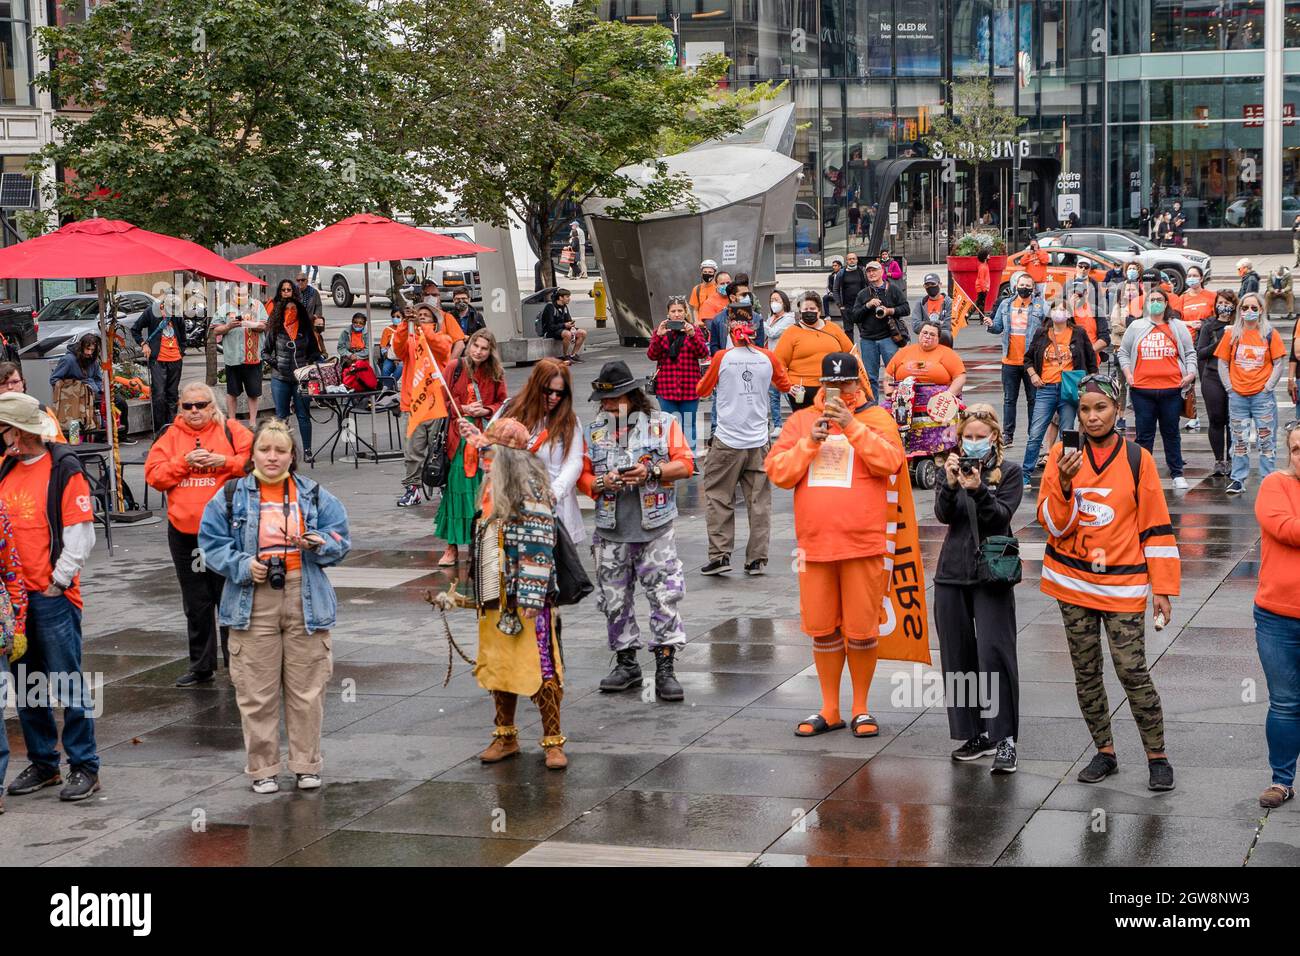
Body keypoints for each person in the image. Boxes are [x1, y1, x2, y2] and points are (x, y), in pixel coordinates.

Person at [1037, 374, 1178, 792]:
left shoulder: (1138, 459)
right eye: (1085, 409)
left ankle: (1157, 756)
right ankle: (1105, 751)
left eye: (1101, 408)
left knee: (1133, 672)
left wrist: (1164, 588)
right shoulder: (1062, 453)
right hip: (1072, 582)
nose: (1093, 416)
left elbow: (1156, 527)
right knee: (1086, 673)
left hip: (1122, 586)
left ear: (1118, 409)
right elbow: (1051, 524)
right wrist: (1063, 484)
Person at [197, 418, 351, 794]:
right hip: (252, 597)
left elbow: (341, 538)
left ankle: (306, 765)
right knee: (256, 691)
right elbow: (211, 544)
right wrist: (242, 565)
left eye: (280, 450)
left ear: (292, 456)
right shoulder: (230, 494)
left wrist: (317, 542)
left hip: (306, 596)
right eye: (264, 449)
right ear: (252, 454)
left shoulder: (313, 494)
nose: (272, 456)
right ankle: (263, 768)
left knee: (307, 690)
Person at [765, 352, 906, 740]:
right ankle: (830, 707)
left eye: (846, 385)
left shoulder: (876, 419)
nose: (839, 392)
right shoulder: (800, 422)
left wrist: (853, 428)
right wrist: (810, 442)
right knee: (822, 628)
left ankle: (861, 707)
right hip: (815, 546)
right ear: (821, 384)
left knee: (862, 630)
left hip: (863, 544)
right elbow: (777, 472)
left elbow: (891, 462)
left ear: (858, 385)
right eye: (831, 384)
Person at [0, 392, 100, 802]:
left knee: (67, 682)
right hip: (15, 603)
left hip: (51, 596)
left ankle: (84, 766)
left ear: (19, 431)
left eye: (2, 427)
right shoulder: (5, 468)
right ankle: (44, 763)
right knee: (27, 686)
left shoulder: (63, 468)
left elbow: (81, 533)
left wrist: (57, 581)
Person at [451, 418, 566, 769]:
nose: (486, 456)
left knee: (542, 668)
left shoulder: (530, 485)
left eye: (492, 451)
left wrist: (532, 594)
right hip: (493, 596)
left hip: (525, 598)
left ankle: (553, 742)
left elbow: (540, 542)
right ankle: (505, 736)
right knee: (499, 667)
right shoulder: (493, 483)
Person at [577, 361, 693, 701]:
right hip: (611, 529)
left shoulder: (664, 424)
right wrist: (600, 481)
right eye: (604, 401)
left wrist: (652, 472)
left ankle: (665, 666)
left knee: (664, 596)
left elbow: (685, 464)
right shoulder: (593, 431)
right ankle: (627, 663)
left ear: (631, 396)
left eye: (613, 400)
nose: (607, 406)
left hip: (655, 528)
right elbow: (581, 475)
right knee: (614, 600)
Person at [145, 382, 253, 686]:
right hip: (184, 533)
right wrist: (183, 463)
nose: (194, 411)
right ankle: (201, 665)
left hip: (226, 533)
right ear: (180, 407)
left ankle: (238, 665)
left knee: (229, 598)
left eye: (201, 405)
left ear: (212, 406)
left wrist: (225, 462)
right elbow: (154, 475)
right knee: (196, 601)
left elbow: (258, 462)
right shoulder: (171, 436)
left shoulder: (232, 431)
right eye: (188, 406)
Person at [934, 405, 1023, 772]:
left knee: (994, 654)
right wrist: (952, 484)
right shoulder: (948, 471)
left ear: (994, 438)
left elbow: (1000, 517)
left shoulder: (1011, 472)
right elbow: (943, 515)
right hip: (952, 573)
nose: (973, 443)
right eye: (967, 437)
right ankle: (975, 732)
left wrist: (980, 490)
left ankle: (1004, 738)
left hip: (993, 572)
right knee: (958, 658)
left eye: (979, 437)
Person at [696, 305, 790, 577]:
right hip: (759, 440)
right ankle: (757, 559)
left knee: (718, 496)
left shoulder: (722, 358)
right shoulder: (767, 357)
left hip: (727, 439)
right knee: (759, 502)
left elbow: (702, 390)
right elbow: (784, 385)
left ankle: (720, 555)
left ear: (730, 331)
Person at [1253, 421, 1300, 808]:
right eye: (1296, 449)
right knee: (1284, 702)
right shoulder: (1274, 485)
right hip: (1278, 616)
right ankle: (1282, 780)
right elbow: (1286, 529)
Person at [434, 329, 507, 567]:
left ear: (490, 351)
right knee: (456, 492)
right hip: (458, 440)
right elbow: (441, 399)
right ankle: (452, 547)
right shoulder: (455, 367)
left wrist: (485, 410)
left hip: (484, 441)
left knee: (482, 494)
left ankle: (482, 546)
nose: (478, 351)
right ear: (470, 344)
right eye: (476, 345)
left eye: (484, 348)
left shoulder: (496, 372)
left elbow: (502, 404)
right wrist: (463, 409)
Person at [495, 359, 585, 544]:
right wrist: (474, 436)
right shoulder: (509, 409)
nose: (553, 397)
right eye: (548, 391)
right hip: (513, 511)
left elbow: (574, 462)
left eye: (559, 393)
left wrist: (553, 493)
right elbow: (488, 448)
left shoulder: (569, 422)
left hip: (554, 514)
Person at [1118, 286, 1195, 489]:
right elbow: (1123, 353)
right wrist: (1128, 374)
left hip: (1172, 389)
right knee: (1144, 435)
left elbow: (1189, 352)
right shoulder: (1136, 326)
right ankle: (1142, 474)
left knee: (1171, 432)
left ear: (1166, 303)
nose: (1155, 303)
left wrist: (1191, 373)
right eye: (1152, 299)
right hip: (1142, 391)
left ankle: (1177, 473)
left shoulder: (1177, 326)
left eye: (1159, 299)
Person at [393, 301, 467, 507]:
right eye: (419, 314)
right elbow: (398, 349)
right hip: (412, 404)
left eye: (426, 315)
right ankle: (413, 488)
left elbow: (442, 348)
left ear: (435, 321)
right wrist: (404, 324)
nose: (422, 316)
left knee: (440, 448)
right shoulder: (410, 339)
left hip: (436, 404)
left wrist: (422, 328)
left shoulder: (441, 336)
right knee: (412, 450)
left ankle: (443, 484)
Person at [1022, 300, 1099, 489]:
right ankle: (1025, 473)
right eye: (1055, 308)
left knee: (1068, 433)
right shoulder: (1042, 333)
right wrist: (1033, 375)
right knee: (1035, 433)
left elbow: (1091, 361)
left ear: (1069, 313)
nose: (1059, 312)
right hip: (1045, 388)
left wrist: (1089, 386)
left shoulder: (1078, 333)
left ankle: (1066, 472)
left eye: (1063, 309)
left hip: (1069, 390)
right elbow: (1028, 358)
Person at [1216, 292, 1286, 495]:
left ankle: (1268, 479)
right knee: (1239, 439)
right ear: (1239, 310)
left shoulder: (1269, 333)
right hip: (1238, 396)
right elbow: (1222, 362)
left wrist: (1268, 387)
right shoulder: (1232, 334)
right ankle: (1238, 479)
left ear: (1261, 310)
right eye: (1245, 308)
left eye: (1254, 308)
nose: (1249, 311)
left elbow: (1279, 362)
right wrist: (1229, 387)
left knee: (1266, 439)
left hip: (1262, 397)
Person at [262, 278, 324, 460]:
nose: (291, 312)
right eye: (287, 309)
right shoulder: (276, 327)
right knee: (281, 416)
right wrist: (277, 363)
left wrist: (309, 366)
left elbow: (315, 352)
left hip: (301, 379)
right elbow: (265, 352)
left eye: (294, 309)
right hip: (280, 378)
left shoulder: (305, 328)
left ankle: (307, 451)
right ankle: (283, 451)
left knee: (304, 414)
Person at [986, 272, 1047, 447]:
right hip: (1009, 361)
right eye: (1022, 285)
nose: (1025, 288)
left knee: (1033, 400)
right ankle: (1008, 435)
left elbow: (1047, 330)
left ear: (1033, 288)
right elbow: (998, 328)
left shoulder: (1040, 306)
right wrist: (990, 325)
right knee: (1009, 400)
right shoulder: (1006, 305)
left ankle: (1034, 435)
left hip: (1031, 363)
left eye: (1028, 286)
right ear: (1015, 286)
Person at [646, 295, 709, 453]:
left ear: (685, 312)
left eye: (680, 310)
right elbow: (652, 355)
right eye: (673, 311)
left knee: (689, 423)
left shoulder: (694, 330)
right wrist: (659, 336)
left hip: (689, 386)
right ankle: (674, 455)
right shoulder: (660, 331)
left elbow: (703, 353)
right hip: (666, 387)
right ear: (668, 313)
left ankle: (690, 456)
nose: (677, 314)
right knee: (670, 425)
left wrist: (693, 335)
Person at [774, 291, 854, 412]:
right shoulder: (791, 332)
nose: (809, 311)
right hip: (802, 391)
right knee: (805, 427)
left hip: (832, 387)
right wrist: (788, 387)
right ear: (800, 312)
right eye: (805, 309)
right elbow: (778, 364)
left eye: (812, 308)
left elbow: (852, 353)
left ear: (819, 311)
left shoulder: (833, 328)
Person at [50, 333, 132, 445]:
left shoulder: (92, 359)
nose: (89, 353)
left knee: (120, 402)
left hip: (93, 392)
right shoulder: (68, 360)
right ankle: (75, 443)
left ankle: (119, 436)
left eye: (92, 350)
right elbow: (54, 380)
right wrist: (73, 387)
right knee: (75, 418)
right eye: (87, 349)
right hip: (75, 396)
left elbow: (97, 378)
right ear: (81, 347)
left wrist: (100, 389)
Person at [849, 259, 910, 397]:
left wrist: (889, 311)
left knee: (895, 374)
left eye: (874, 270)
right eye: (869, 271)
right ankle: (873, 408)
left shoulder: (893, 289)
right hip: (868, 340)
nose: (871, 273)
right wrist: (867, 306)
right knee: (870, 377)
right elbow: (854, 317)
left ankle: (897, 405)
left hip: (889, 338)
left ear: (881, 271)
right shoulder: (863, 294)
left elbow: (906, 308)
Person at [1195, 290, 1238, 478]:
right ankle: (1219, 459)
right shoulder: (1209, 325)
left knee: (1233, 420)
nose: (1224, 306)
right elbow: (1201, 352)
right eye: (1221, 302)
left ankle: (1233, 458)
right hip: (1212, 376)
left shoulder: (1239, 324)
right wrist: (1220, 343)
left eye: (1228, 303)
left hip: (1236, 377)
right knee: (1217, 418)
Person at [132, 295, 186, 436]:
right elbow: (135, 329)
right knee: (159, 395)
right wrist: (144, 345)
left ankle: (173, 429)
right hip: (158, 359)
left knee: (172, 395)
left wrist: (182, 351)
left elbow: (183, 335)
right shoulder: (151, 312)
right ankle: (160, 431)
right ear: (163, 305)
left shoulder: (177, 315)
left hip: (175, 359)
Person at [213, 285, 268, 423]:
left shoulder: (257, 305)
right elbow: (215, 330)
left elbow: (264, 326)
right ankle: (232, 421)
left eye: (242, 294)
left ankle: (253, 422)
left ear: (249, 292)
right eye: (237, 294)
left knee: (253, 392)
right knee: (232, 392)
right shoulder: (225, 308)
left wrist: (248, 323)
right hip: (233, 356)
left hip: (253, 356)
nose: (240, 297)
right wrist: (228, 326)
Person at [883, 319, 966, 395]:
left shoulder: (948, 354)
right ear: (919, 334)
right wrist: (889, 392)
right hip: (903, 396)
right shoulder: (904, 352)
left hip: (938, 398)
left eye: (932, 334)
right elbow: (888, 374)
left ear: (938, 338)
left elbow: (960, 377)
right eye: (925, 333)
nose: (927, 336)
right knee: (882, 411)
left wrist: (948, 395)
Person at [0, 361, 62, 440]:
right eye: (3, 383)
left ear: (23, 384)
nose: (10, 387)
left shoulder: (42, 411)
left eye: (15, 382)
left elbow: (57, 442)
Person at [707, 273, 766, 353]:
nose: (748, 297)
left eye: (748, 294)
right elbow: (714, 346)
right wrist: (724, 358)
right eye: (744, 295)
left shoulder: (757, 319)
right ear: (732, 297)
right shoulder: (718, 319)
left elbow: (760, 347)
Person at [766, 289, 797, 437]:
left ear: (784, 302)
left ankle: (799, 420)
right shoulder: (769, 318)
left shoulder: (789, 319)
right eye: (772, 300)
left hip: (784, 362)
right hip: (770, 361)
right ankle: (777, 425)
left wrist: (760, 322)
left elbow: (773, 333)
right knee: (773, 395)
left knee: (788, 392)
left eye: (777, 300)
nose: (774, 303)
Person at [539, 288, 586, 363]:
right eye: (567, 297)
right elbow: (550, 326)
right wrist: (564, 325)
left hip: (562, 328)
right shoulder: (550, 307)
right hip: (551, 331)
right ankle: (565, 356)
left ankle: (573, 355)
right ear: (560, 297)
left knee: (582, 333)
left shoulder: (564, 306)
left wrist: (571, 325)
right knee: (567, 334)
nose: (569, 299)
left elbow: (568, 320)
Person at [833, 252, 867, 341]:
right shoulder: (841, 273)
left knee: (864, 330)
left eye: (853, 259)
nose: (852, 260)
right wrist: (840, 305)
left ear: (857, 260)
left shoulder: (862, 271)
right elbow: (835, 290)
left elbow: (868, 286)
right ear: (846, 261)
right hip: (846, 307)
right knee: (848, 331)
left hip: (861, 306)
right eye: (849, 259)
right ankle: (851, 352)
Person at [913, 272, 953, 342]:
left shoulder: (949, 302)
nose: (930, 287)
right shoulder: (920, 304)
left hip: (944, 341)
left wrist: (926, 324)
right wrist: (939, 323)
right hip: (925, 343)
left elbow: (949, 325)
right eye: (927, 285)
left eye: (933, 284)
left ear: (940, 284)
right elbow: (916, 327)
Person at [378, 307, 404, 382]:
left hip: (403, 359)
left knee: (401, 367)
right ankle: (386, 386)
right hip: (389, 358)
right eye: (393, 316)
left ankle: (388, 387)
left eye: (398, 317)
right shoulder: (387, 330)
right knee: (385, 368)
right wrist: (390, 357)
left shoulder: (406, 330)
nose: (395, 318)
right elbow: (383, 347)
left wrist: (399, 359)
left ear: (403, 318)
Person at [974, 248, 992, 317]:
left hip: (982, 288)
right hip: (981, 288)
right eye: (988, 254)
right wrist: (984, 289)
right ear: (985, 257)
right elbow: (981, 279)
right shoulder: (983, 267)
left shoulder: (985, 266)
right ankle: (981, 317)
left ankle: (968, 315)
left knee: (979, 303)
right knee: (980, 303)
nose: (989, 255)